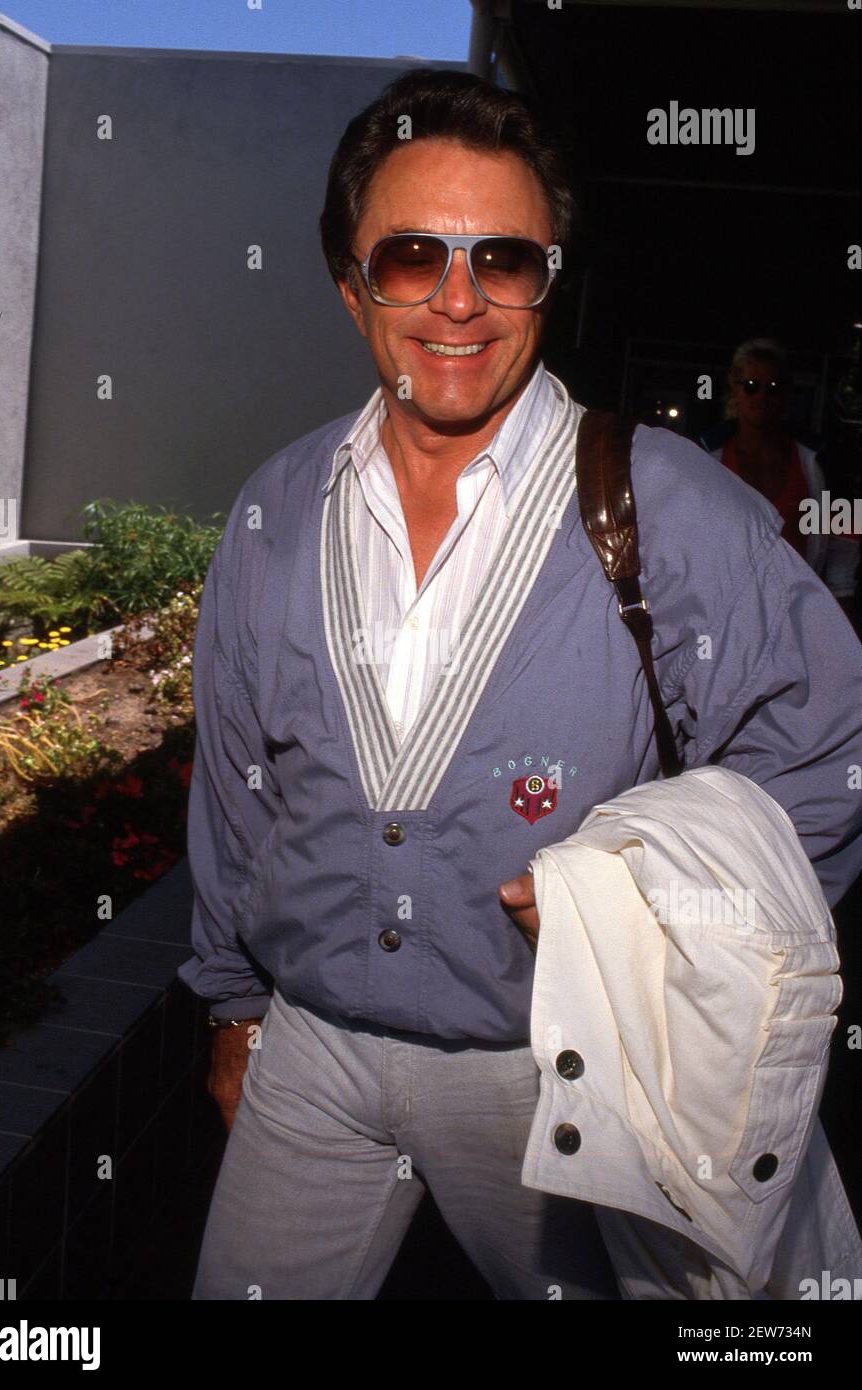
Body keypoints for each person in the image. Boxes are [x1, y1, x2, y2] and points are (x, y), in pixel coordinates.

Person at [178, 69, 862, 1301]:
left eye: (501, 257)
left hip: (556, 1068)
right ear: (351, 286)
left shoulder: (670, 508)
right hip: (312, 1055)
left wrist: (659, 907)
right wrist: (232, 1008)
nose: (457, 298)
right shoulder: (275, 509)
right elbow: (235, 782)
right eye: (411, 257)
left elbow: (827, 752)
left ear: (548, 287)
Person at [700, 338, 859, 619]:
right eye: (751, 386)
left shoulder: (822, 460)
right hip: (723, 617)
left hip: (798, 617)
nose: (761, 396)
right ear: (734, 390)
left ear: (787, 394)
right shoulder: (704, 457)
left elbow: (845, 538)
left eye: (773, 388)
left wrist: (840, 615)